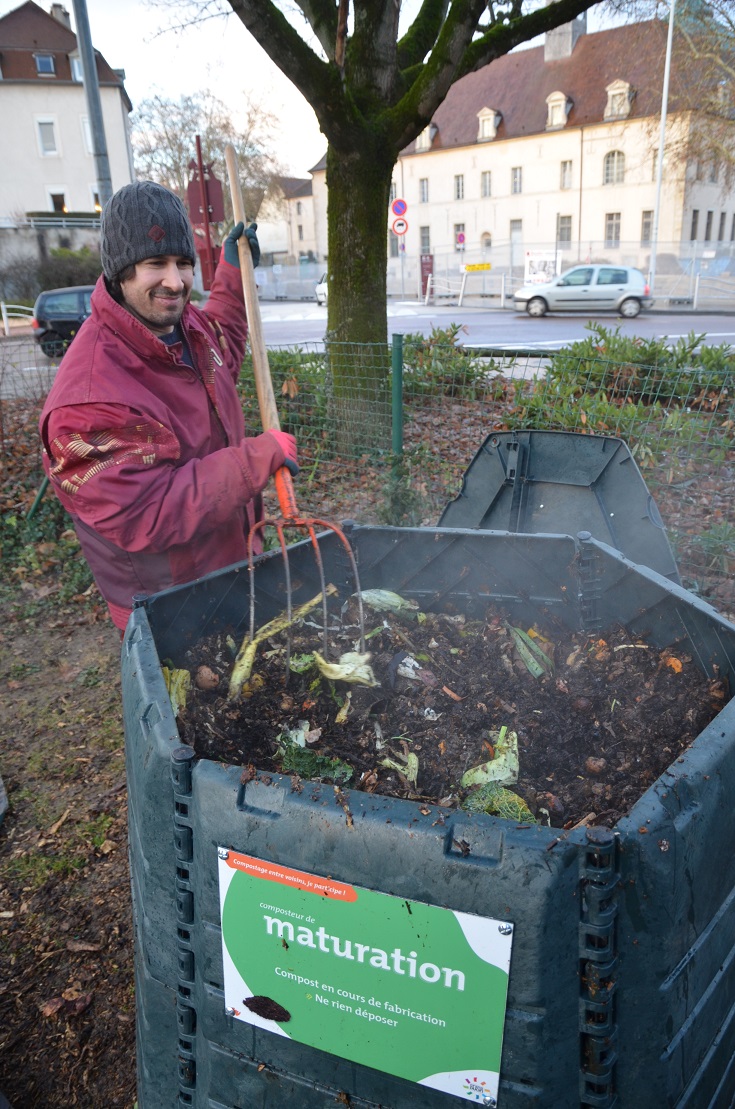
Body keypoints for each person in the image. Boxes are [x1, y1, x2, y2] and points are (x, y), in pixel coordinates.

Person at [39, 180, 298, 633]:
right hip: (171, 604)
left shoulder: (179, 324)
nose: (175, 282)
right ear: (120, 270)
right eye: (155, 263)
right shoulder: (90, 398)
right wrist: (257, 458)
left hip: (227, 565)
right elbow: (149, 512)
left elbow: (222, 348)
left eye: (184, 263)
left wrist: (234, 275)